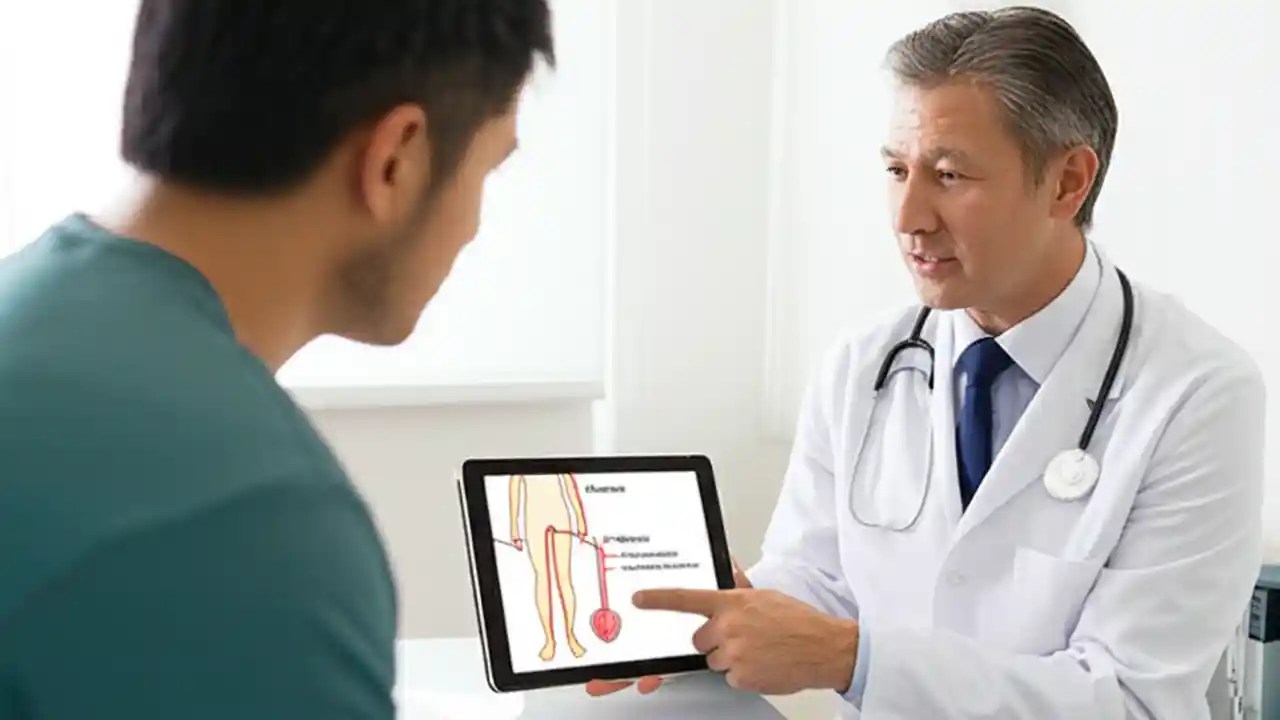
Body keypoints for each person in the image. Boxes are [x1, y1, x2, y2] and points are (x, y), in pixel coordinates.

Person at [590, 7, 1265, 718]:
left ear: (1068, 182)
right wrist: (725, 616)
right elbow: (816, 573)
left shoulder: (1197, 394)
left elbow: (1131, 701)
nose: (908, 215)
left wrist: (850, 659)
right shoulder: (863, 365)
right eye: (896, 169)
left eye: (948, 175)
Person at [0, 2, 552, 717]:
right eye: (488, 170)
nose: (475, 225)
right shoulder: (242, 520)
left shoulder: (26, 311)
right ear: (397, 159)